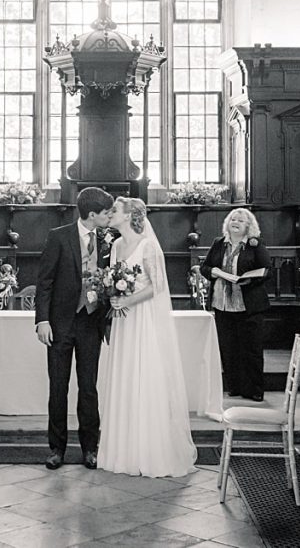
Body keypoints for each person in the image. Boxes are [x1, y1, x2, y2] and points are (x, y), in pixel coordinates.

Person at [98, 197, 197, 477]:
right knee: (124, 377)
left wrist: (127, 300)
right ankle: (123, 450)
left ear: (129, 216)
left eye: (115, 211)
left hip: (142, 320)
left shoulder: (148, 245)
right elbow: (114, 278)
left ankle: (149, 449)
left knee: (143, 376)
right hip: (123, 323)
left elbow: (158, 286)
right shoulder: (116, 245)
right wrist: (114, 295)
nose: (111, 214)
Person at [35, 186, 114, 471]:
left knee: (88, 388)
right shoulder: (59, 236)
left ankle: (90, 448)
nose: (110, 217)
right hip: (60, 324)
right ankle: (56, 449)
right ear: (92, 214)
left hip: (91, 323)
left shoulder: (110, 239)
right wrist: (42, 320)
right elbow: (44, 282)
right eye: (106, 213)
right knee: (58, 387)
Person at [197, 208, 271, 402]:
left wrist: (248, 280)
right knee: (229, 348)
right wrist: (214, 271)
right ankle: (235, 387)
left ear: (248, 226)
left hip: (249, 304)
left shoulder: (255, 245)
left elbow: (266, 270)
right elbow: (205, 267)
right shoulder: (219, 243)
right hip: (223, 303)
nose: (235, 222)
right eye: (233, 219)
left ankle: (254, 390)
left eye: (240, 220)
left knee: (251, 349)